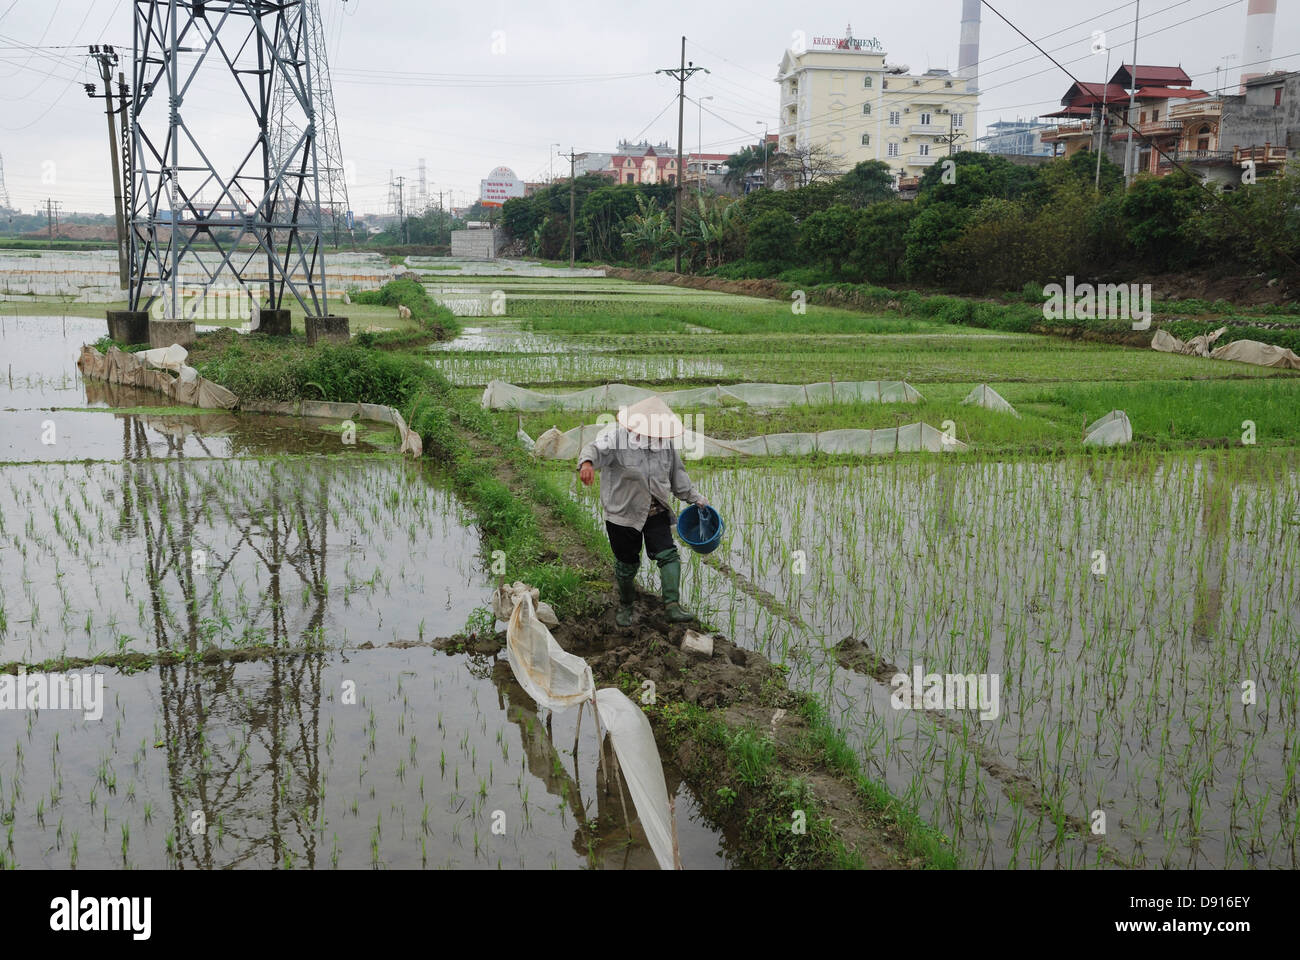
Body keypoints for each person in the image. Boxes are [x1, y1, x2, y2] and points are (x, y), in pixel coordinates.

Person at [578, 396, 708, 627]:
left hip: (655, 510)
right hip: (623, 513)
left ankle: (672, 606)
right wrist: (587, 464)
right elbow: (594, 449)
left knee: (668, 555)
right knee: (627, 563)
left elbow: (677, 476)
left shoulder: (664, 445)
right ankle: (626, 605)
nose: (656, 433)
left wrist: (696, 499)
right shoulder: (617, 437)